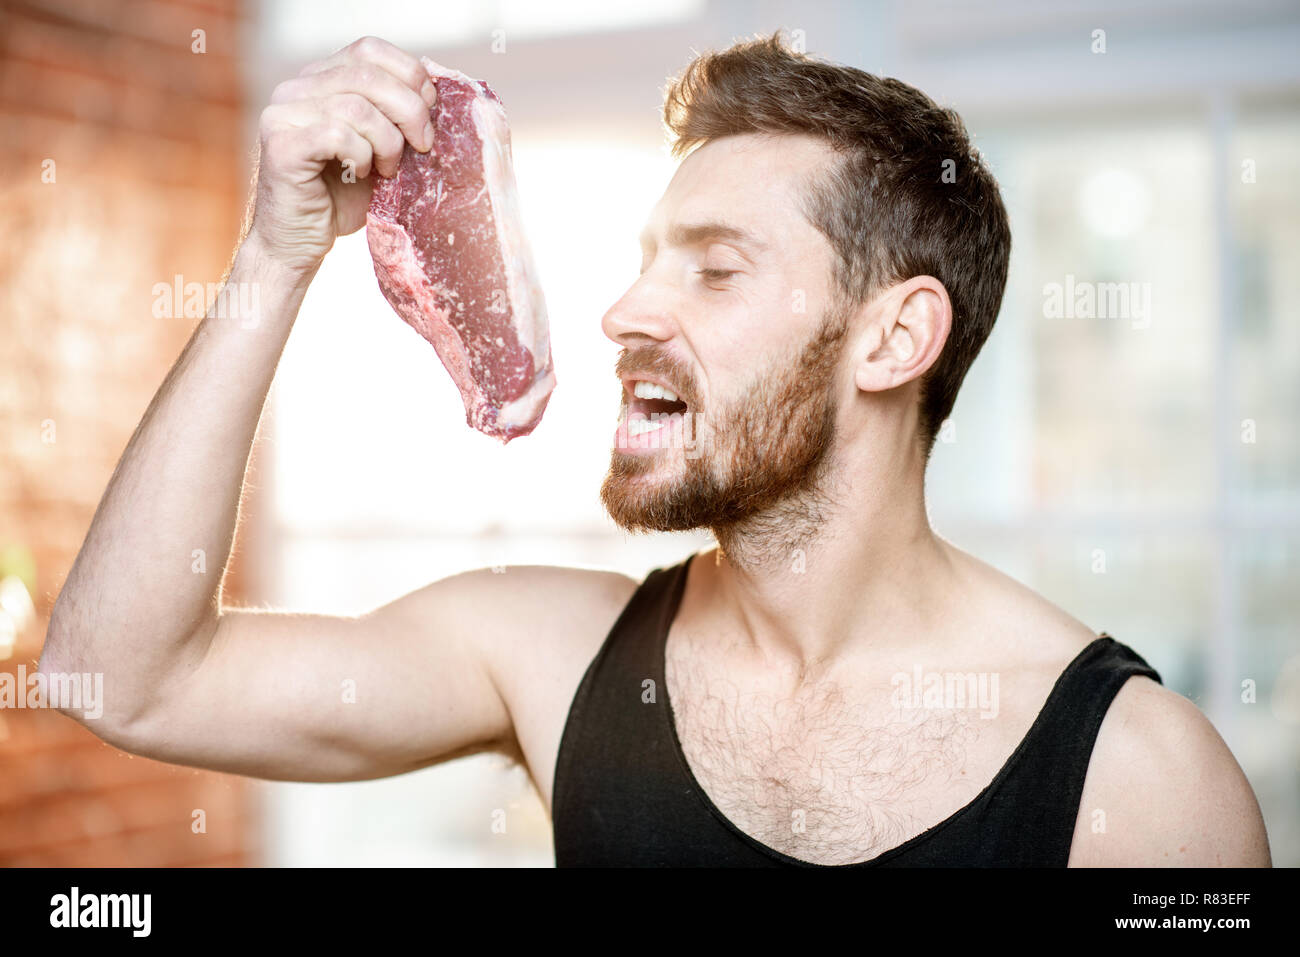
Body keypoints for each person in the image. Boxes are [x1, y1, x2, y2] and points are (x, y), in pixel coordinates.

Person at [40, 33, 1270, 867]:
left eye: (715, 268)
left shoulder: (1144, 780)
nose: (625, 312)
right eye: (644, 258)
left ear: (895, 338)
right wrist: (272, 255)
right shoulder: (551, 655)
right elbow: (122, 675)